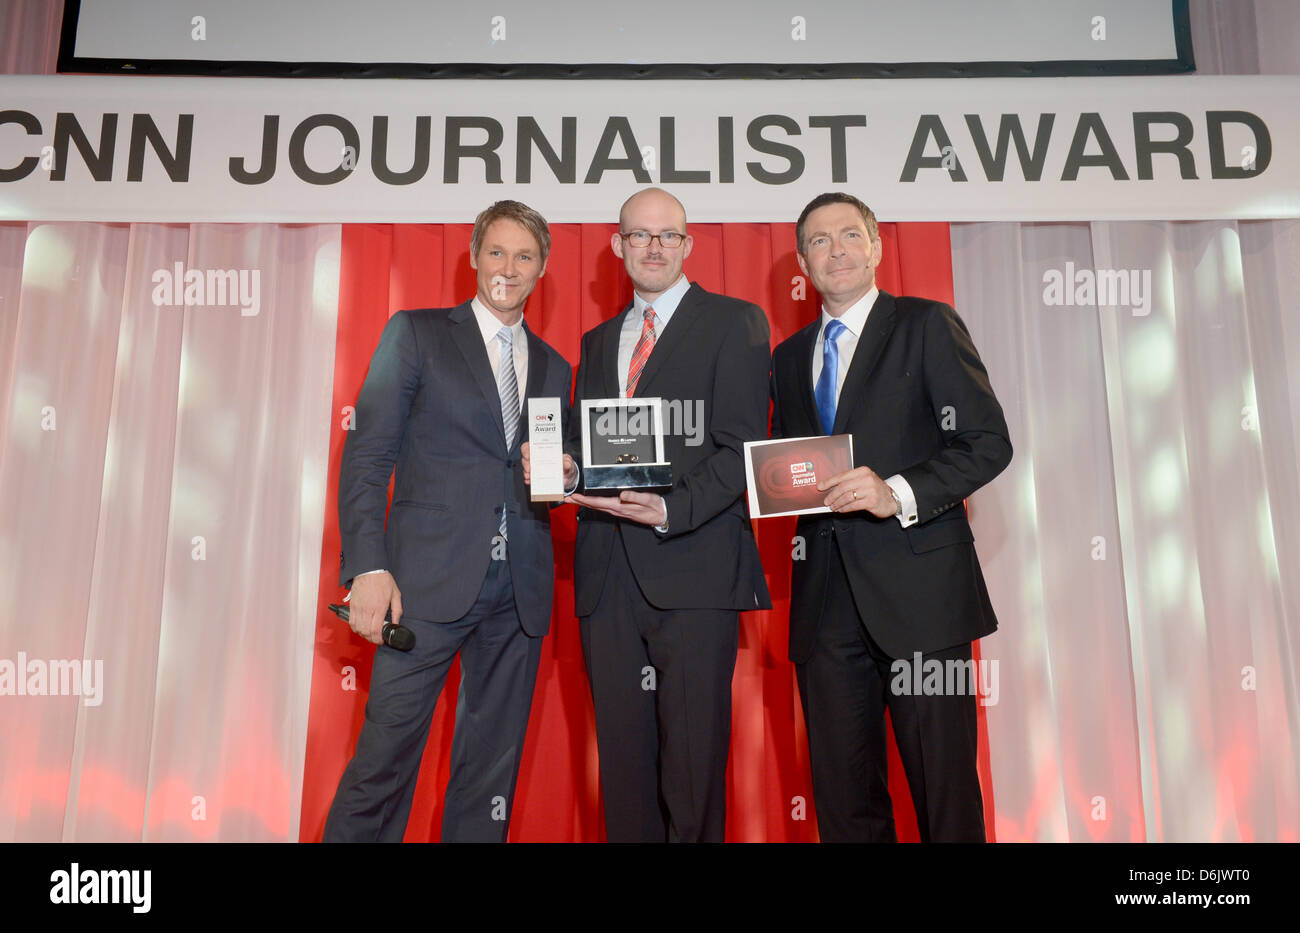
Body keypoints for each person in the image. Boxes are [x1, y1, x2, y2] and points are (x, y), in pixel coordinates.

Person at [324, 200, 573, 843]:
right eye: (497, 252)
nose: (508, 267)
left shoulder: (554, 365)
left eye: (524, 256)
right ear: (472, 257)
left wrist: (568, 477)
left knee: (488, 781)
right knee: (383, 765)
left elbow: (544, 472)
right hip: (422, 586)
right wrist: (369, 569)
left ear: (542, 267)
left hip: (519, 591)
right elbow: (368, 457)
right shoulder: (416, 332)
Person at [770, 192, 1012, 842]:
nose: (837, 250)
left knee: (946, 796)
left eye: (850, 235)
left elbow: (988, 442)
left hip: (923, 603)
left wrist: (897, 491)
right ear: (802, 259)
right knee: (845, 808)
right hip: (825, 611)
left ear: (876, 247)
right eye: (819, 241)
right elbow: (786, 469)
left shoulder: (927, 324)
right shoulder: (788, 357)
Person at [533, 187, 771, 842]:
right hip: (608, 577)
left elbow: (741, 448)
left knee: (692, 776)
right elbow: (605, 450)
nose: (654, 247)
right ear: (618, 246)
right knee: (624, 775)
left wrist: (671, 508)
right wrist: (571, 470)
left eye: (668, 235)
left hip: (693, 570)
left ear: (689, 245)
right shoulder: (599, 338)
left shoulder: (736, 321)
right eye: (640, 235)